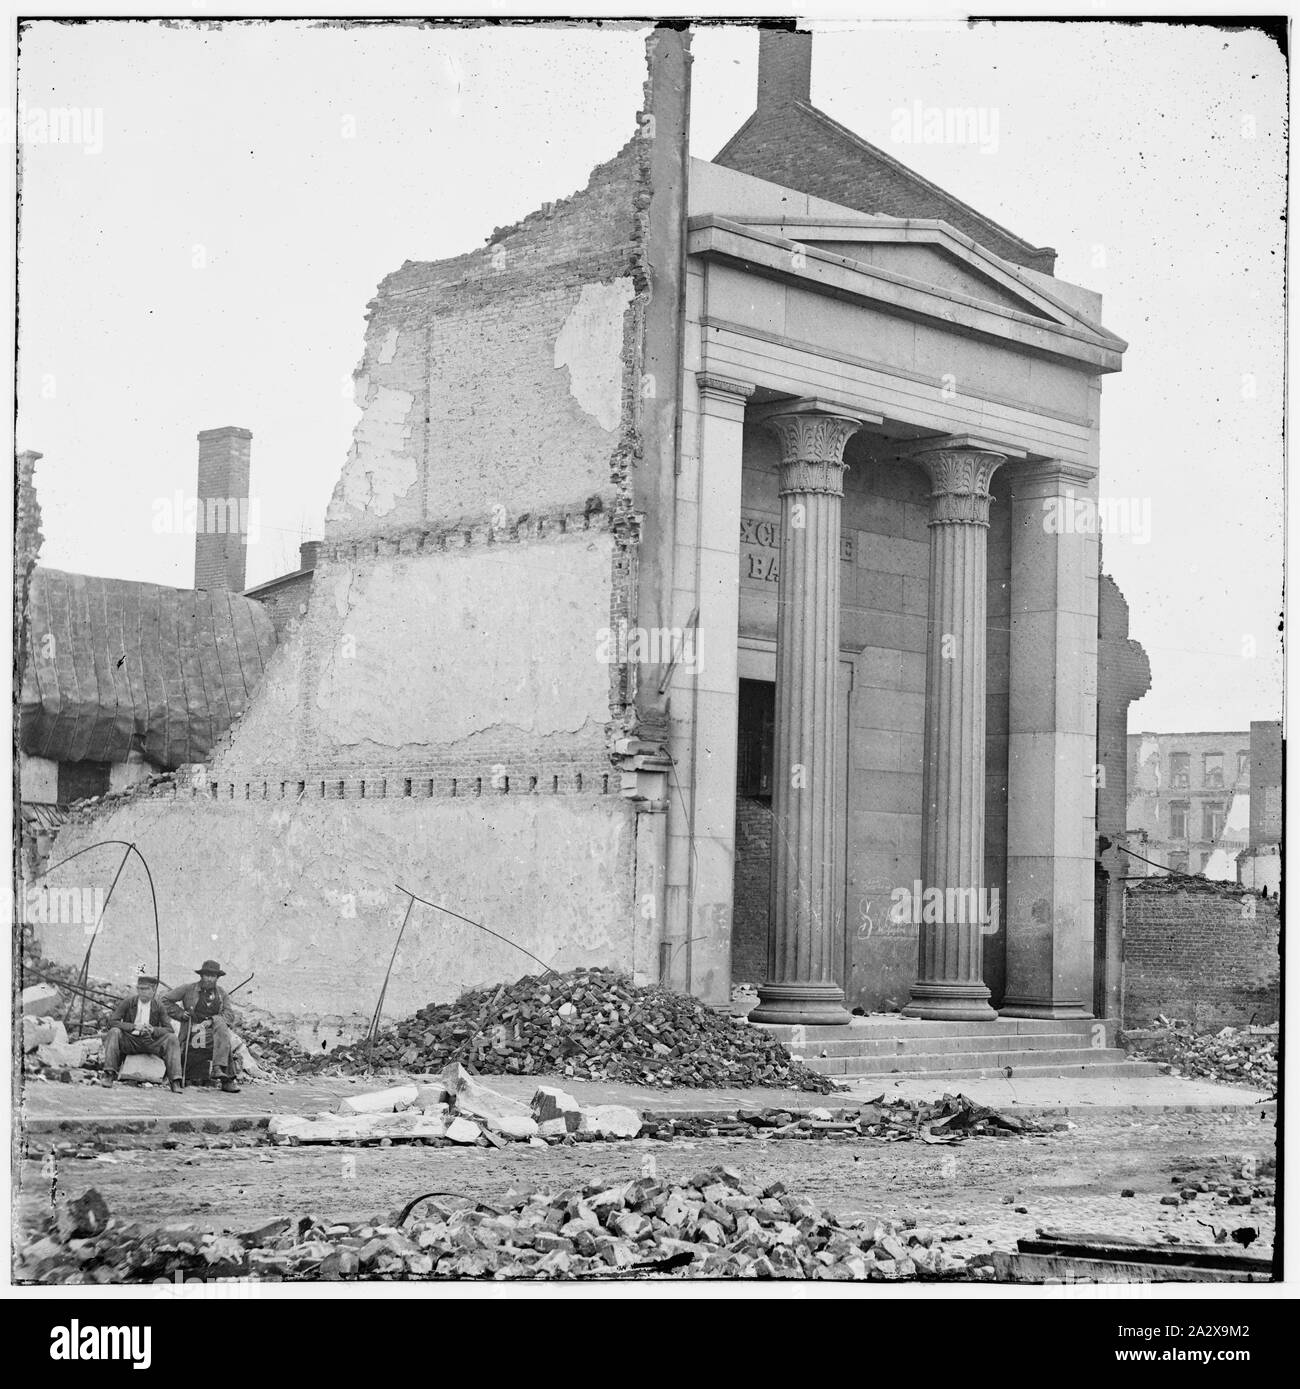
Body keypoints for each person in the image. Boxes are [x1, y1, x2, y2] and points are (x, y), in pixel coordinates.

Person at [163, 960, 241, 1093]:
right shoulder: (189, 989)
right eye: (207, 975)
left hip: (213, 1032)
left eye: (213, 976)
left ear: (217, 978)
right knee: (223, 1039)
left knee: (222, 1030)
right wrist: (181, 1013)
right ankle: (227, 1079)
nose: (210, 979)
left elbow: (229, 1015)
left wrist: (212, 1020)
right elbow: (165, 1000)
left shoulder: (222, 994)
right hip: (193, 1031)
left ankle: (218, 1070)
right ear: (201, 976)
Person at [101, 974, 184, 1092]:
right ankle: (109, 1074)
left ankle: (175, 1081)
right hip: (131, 1041)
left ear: (153, 990)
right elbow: (112, 1022)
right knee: (114, 1032)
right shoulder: (128, 1002)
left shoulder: (158, 1005)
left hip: (151, 1042)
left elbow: (169, 1029)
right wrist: (134, 1026)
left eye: (146, 989)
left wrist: (153, 1030)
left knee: (171, 1038)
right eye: (139, 988)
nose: (142, 992)